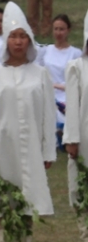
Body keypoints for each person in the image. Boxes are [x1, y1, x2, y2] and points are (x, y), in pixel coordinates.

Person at [0, 2, 56, 242]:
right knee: (4, 201)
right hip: (2, 148)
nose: (18, 41)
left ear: (30, 39)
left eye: (23, 36)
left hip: (31, 147)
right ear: (6, 40)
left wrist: (48, 151)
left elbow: (48, 115)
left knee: (28, 199)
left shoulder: (40, 74)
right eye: (13, 36)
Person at [64, 10, 88, 242]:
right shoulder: (77, 68)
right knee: (81, 185)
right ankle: (86, 232)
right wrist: (71, 138)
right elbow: (72, 104)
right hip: (84, 134)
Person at [37, 14, 81, 144]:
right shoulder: (46, 50)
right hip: (47, 92)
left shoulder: (75, 53)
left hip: (66, 95)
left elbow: (78, 81)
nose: (58, 33)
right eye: (56, 29)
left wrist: (57, 86)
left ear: (68, 30)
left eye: (61, 29)